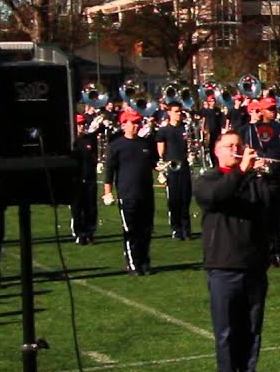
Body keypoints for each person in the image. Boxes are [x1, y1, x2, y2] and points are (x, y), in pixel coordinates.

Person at [195, 132, 271, 372]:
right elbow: (217, 197)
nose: (236, 150)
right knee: (226, 328)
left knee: (252, 326)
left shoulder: (251, 178)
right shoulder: (207, 180)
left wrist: (264, 177)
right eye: (230, 146)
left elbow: (271, 206)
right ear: (217, 152)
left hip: (253, 263)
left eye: (239, 146)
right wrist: (241, 171)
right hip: (223, 263)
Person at [238, 97, 280, 267]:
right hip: (261, 178)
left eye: (274, 108)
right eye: (269, 109)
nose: (273, 111)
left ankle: (279, 253)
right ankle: (266, 254)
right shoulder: (248, 130)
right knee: (265, 217)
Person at [104, 109, 158, 275]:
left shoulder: (145, 144)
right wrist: (108, 192)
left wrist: (163, 170)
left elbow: (154, 163)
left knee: (146, 230)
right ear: (123, 124)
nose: (135, 126)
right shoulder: (117, 146)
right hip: (128, 195)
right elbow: (109, 171)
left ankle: (144, 261)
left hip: (146, 194)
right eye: (132, 123)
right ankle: (133, 263)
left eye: (137, 123)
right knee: (131, 231)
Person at [156, 101, 193, 240]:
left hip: (184, 166)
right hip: (171, 167)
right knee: (174, 200)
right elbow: (161, 151)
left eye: (180, 111)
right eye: (176, 111)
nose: (179, 114)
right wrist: (163, 168)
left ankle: (186, 229)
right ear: (169, 112)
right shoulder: (164, 130)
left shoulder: (185, 128)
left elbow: (192, 143)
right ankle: (176, 229)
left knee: (185, 199)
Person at [71, 114, 99, 245]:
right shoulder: (72, 141)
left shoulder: (90, 139)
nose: (80, 127)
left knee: (91, 207)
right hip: (76, 178)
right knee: (77, 207)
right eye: (78, 124)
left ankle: (89, 232)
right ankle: (79, 233)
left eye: (82, 124)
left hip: (90, 177)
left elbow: (94, 156)